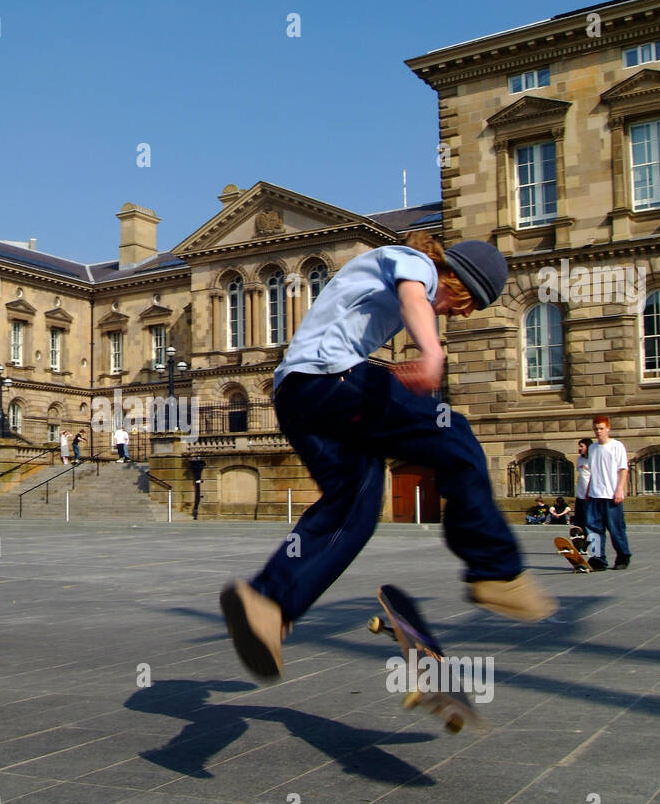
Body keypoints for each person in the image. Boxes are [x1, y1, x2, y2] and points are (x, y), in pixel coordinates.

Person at [219, 233, 556, 682]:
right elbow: (414, 294)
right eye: (468, 301)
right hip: (330, 381)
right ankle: (496, 572)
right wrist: (431, 351)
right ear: (452, 275)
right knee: (454, 434)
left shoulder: (397, 273)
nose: (464, 312)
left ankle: (268, 603)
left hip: (298, 399)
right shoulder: (412, 261)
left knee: (354, 506)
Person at [585, 416, 631, 571]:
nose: (598, 432)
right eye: (596, 429)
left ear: (608, 428)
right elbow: (593, 471)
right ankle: (597, 559)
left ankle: (623, 556)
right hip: (595, 495)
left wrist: (619, 489)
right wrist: (588, 490)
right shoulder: (592, 448)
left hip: (611, 496)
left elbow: (623, 469)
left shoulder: (617, 446)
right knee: (593, 529)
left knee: (616, 528)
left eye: (601, 428)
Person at [574, 437, 593, 535]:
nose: (579, 448)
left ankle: (591, 541)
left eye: (582, 446)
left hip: (589, 495)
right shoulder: (579, 459)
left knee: (588, 521)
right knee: (578, 522)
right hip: (580, 495)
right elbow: (579, 475)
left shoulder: (593, 459)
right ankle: (580, 542)